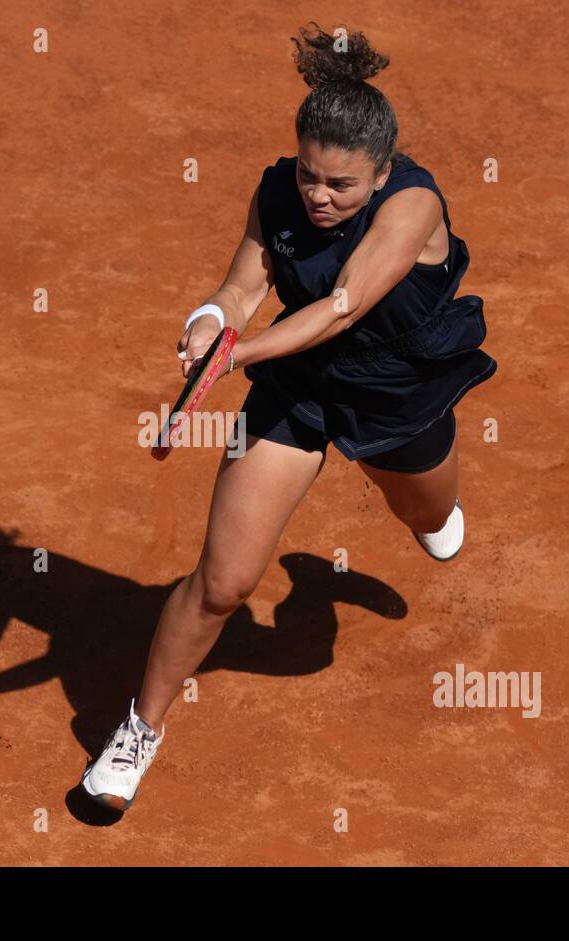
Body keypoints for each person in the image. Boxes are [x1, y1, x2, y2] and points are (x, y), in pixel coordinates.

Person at [82, 22, 497, 811]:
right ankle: (140, 729)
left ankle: (351, 556)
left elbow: (342, 307)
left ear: (380, 175)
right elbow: (243, 287)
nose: (318, 196)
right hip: (299, 386)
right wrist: (211, 318)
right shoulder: (277, 192)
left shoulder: (414, 204)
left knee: (430, 515)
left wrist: (236, 356)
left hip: (395, 388)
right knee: (222, 583)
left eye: (340, 185)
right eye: (310, 176)